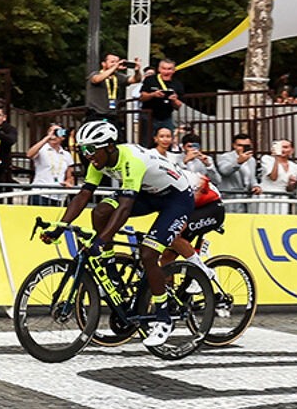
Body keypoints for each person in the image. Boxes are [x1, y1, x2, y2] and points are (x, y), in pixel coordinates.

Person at [48, 121, 195, 347]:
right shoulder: (97, 161)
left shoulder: (131, 161)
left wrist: (100, 240)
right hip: (148, 194)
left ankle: (164, 318)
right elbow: (83, 196)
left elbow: (125, 208)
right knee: (100, 211)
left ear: (108, 147)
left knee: (148, 253)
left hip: (176, 199)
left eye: (90, 150)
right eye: (82, 150)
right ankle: (110, 269)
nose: (86, 155)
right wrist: (60, 225)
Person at [85, 53, 142, 139]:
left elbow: (136, 79)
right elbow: (96, 79)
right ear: (103, 63)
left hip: (112, 115)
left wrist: (137, 70)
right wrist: (115, 67)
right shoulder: (95, 74)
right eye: (112, 62)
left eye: (117, 62)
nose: (115, 64)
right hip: (96, 114)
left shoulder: (118, 77)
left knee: (117, 140)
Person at [26, 124, 75, 206]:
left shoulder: (66, 155)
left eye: (57, 133)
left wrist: (68, 182)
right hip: (40, 193)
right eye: (51, 132)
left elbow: (69, 177)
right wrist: (47, 138)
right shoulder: (42, 149)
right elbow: (29, 154)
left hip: (57, 196)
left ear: (62, 136)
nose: (53, 136)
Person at [215, 133, 262, 211]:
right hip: (230, 198)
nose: (243, 148)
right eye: (240, 145)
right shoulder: (225, 157)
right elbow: (224, 171)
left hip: (246, 199)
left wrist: (256, 186)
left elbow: (252, 178)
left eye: (246, 146)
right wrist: (238, 162)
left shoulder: (251, 159)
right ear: (234, 145)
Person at [139, 58, 184, 133]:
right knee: (147, 142)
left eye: (169, 69)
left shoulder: (177, 84)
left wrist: (174, 100)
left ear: (174, 70)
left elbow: (178, 106)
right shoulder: (150, 80)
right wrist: (153, 94)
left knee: (167, 139)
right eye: (164, 69)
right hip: (149, 115)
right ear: (159, 69)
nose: (166, 72)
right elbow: (142, 97)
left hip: (166, 117)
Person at [258, 139, 297, 213]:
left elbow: (289, 189)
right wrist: (276, 159)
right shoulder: (267, 159)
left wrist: (291, 183)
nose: (282, 150)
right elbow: (273, 177)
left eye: (286, 147)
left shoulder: (295, 166)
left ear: (292, 150)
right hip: (266, 195)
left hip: (282, 196)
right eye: (280, 147)